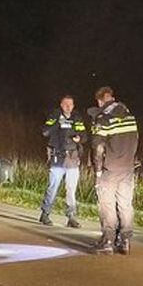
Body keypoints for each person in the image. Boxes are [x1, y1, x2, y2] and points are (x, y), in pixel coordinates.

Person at [90, 86, 138, 255]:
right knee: (125, 205)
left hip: (110, 169)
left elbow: (98, 147)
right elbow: (135, 141)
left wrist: (97, 171)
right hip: (128, 168)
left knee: (107, 205)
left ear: (100, 100)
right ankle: (125, 241)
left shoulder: (103, 119)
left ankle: (108, 241)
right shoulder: (130, 117)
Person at [40, 95, 87, 227]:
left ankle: (71, 217)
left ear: (73, 106)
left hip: (72, 158)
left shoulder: (77, 118)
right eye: (66, 104)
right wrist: (58, 123)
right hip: (57, 158)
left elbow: (84, 136)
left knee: (71, 190)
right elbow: (45, 132)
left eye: (70, 104)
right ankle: (45, 213)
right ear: (61, 104)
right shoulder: (54, 116)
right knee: (53, 187)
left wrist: (80, 138)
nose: (68, 106)